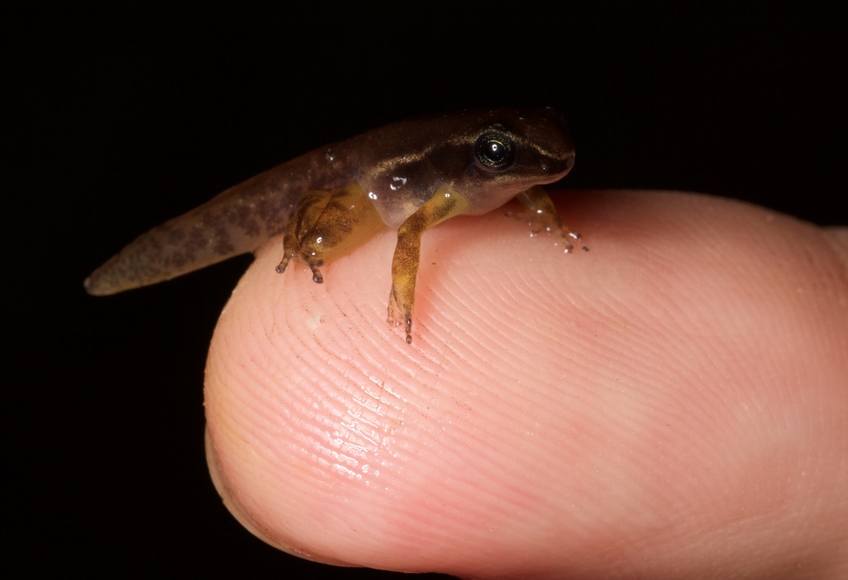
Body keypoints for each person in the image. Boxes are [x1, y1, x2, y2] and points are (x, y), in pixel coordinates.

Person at [203, 191, 848, 579]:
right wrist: (402, 296)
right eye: (495, 157)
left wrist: (547, 219)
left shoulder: (512, 184)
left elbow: (531, 190)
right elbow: (410, 229)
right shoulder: (434, 196)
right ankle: (301, 247)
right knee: (321, 236)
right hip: (364, 192)